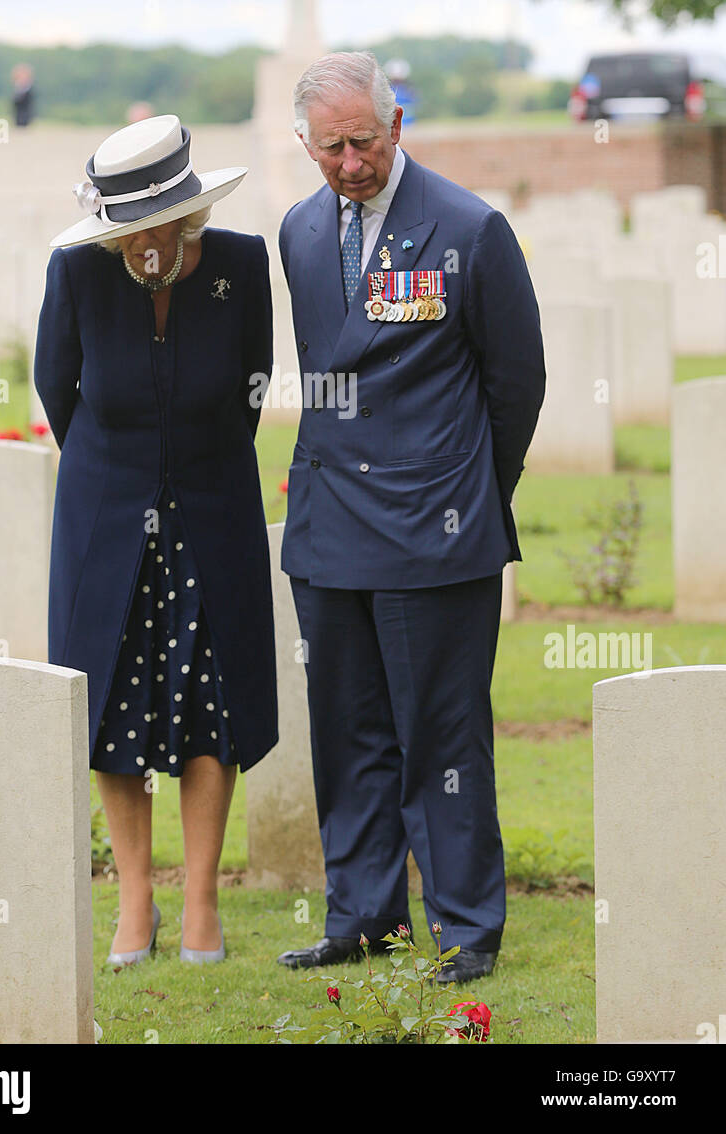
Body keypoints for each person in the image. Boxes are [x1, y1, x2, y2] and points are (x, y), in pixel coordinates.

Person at [275, 52, 545, 981]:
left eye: (364, 141)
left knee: (441, 736)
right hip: (329, 524)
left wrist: (468, 491)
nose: (350, 163)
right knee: (345, 732)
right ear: (303, 145)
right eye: (329, 148)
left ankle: (466, 927)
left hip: (433, 527)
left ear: (397, 127)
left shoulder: (470, 228)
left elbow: (516, 381)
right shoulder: (300, 232)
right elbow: (325, 372)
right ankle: (362, 917)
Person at [34, 114, 276, 967]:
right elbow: (56, 388)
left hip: (214, 511)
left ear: (186, 215)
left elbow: (252, 386)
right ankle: (135, 900)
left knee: (214, 701)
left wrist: (188, 472)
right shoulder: (77, 272)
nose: (141, 246)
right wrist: (123, 473)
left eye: (153, 228)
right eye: (126, 232)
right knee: (114, 708)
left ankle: (201, 897)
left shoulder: (242, 266)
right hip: (106, 520)